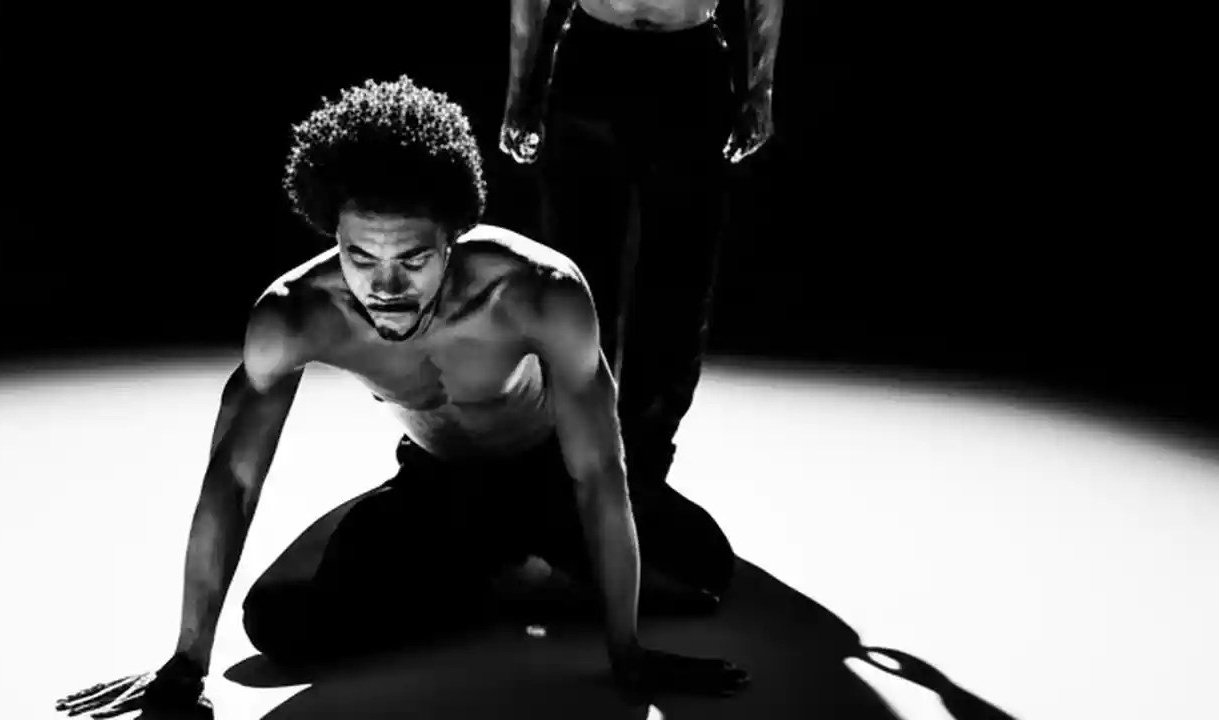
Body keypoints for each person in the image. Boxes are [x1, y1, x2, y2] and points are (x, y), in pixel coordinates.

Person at [53, 77, 748, 719]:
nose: (386, 287)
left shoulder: (539, 289)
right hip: (438, 482)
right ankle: (501, 574)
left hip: (550, 476)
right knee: (277, 623)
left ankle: (502, 570)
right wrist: (185, 662)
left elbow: (598, 471)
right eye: (362, 258)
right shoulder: (295, 315)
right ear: (335, 238)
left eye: (413, 260)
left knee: (704, 567)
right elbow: (233, 480)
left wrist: (623, 651)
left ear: (453, 239)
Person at [500, 0, 783, 490]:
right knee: (576, 283)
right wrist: (520, 90)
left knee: (679, 280)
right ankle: (571, 460)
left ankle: (646, 471)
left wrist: (761, 88)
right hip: (593, 59)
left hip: (689, 64)